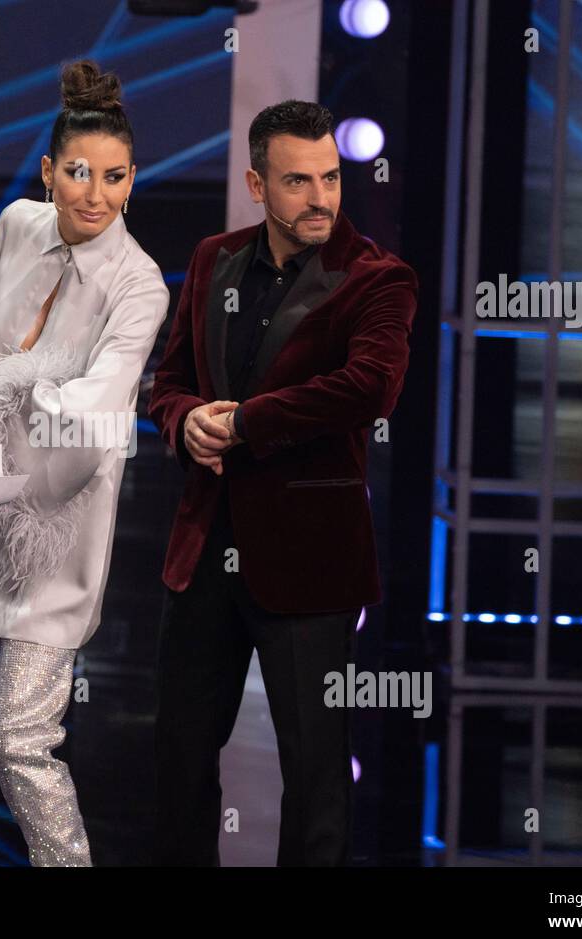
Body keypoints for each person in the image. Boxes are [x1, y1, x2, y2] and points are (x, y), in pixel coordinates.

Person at [0, 61, 169, 867]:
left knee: (18, 738)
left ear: (131, 180)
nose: (96, 193)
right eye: (78, 172)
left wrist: (11, 381)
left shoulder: (140, 285)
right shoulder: (16, 223)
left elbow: (99, 405)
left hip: (54, 525)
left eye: (114, 176)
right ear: (49, 172)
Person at [148, 100, 417, 866]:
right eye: (298, 181)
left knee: (316, 778)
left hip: (312, 559)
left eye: (331, 177)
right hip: (203, 552)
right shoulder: (213, 258)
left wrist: (243, 423)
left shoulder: (377, 277)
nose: (322, 197)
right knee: (179, 764)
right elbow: (168, 382)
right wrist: (187, 420)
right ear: (257, 183)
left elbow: (368, 389)